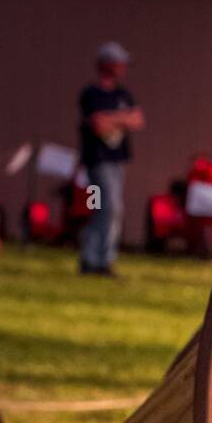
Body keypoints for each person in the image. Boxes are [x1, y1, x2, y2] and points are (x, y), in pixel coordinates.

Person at [77, 41, 144, 276]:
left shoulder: (123, 94)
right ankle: (96, 260)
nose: (123, 67)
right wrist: (122, 118)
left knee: (110, 208)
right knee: (108, 207)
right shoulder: (91, 93)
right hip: (98, 160)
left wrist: (111, 118)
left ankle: (97, 259)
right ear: (107, 65)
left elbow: (137, 120)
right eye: (119, 63)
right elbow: (97, 125)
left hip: (118, 160)